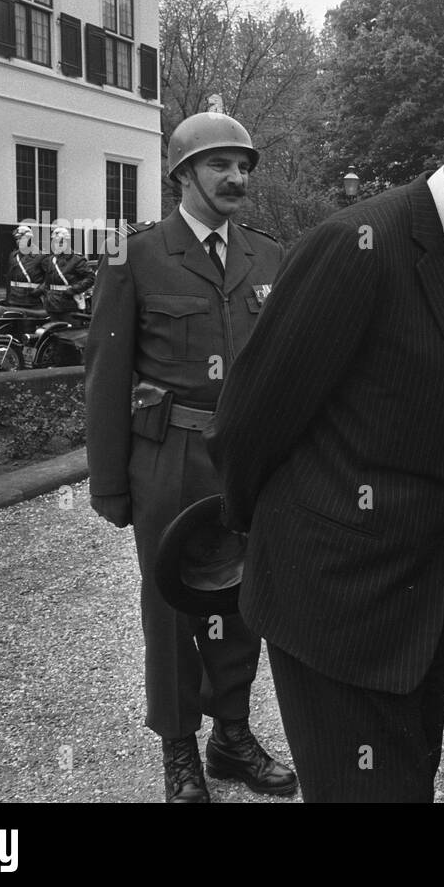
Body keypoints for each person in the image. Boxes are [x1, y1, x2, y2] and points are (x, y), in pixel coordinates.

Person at [206, 89, 444, 802]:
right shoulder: (359, 247)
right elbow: (245, 427)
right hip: (337, 625)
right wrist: (297, 552)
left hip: (413, 625)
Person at [85, 111, 294, 803]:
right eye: (219, 165)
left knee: (242, 599)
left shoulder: (268, 257)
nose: (236, 178)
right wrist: (111, 485)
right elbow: (106, 375)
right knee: (173, 606)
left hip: (244, 462)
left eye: (243, 166)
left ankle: (231, 736)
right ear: (181, 173)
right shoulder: (136, 257)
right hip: (170, 456)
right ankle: (178, 748)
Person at [38, 226, 95, 323]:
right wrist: (44, 293)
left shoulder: (76, 260)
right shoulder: (50, 260)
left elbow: (91, 278)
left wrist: (73, 290)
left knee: (70, 334)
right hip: (51, 305)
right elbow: (47, 281)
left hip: (69, 304)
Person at [4, 225, 46, 309]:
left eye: (22, 238)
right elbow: (9, 277)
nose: (19, 241)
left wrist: (40, 290)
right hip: (14, 299)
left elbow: (48, 278)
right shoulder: (13, 255)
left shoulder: (41, 256)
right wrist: (8, 299)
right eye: (17, 239)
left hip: (32, 300)